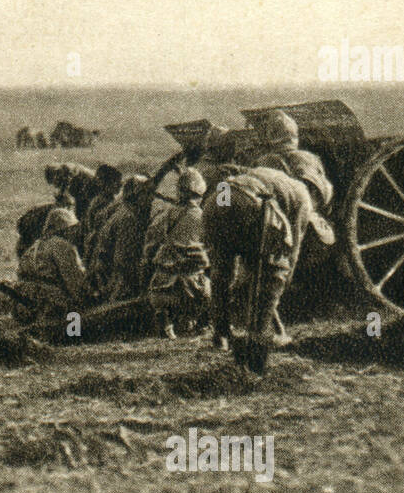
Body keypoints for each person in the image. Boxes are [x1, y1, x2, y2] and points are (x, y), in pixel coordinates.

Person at [202, 143, 334, 358]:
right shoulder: (302, 196)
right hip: (247, 201)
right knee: (276, 270)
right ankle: (259, 336)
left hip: (219, 196)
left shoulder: (272, 176)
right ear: (317, 193)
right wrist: (281, 283)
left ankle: (221, 335)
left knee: (221, 273)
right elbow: (292, 251)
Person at [146, 169, 212, 338]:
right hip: (188, 287)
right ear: (200, 194)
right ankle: (202, 324)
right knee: (214, 289)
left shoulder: (164, 215)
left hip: (159, 286)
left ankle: (166, 319)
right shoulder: (202, 217)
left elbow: (149, 247)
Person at [14, 207, 90, 326]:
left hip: (25, 302)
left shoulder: (35, 246)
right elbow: (75, 283)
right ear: (65, 229)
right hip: (51, 304)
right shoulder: (62, 246)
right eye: (73, 228)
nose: (75, 232)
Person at [85, 173, 151, 302]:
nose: (151, 198)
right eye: (147, 194)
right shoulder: (128, 219)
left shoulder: (121, 211)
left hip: (105, 277)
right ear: (136, 196)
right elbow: (124, 261)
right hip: (115, 284)